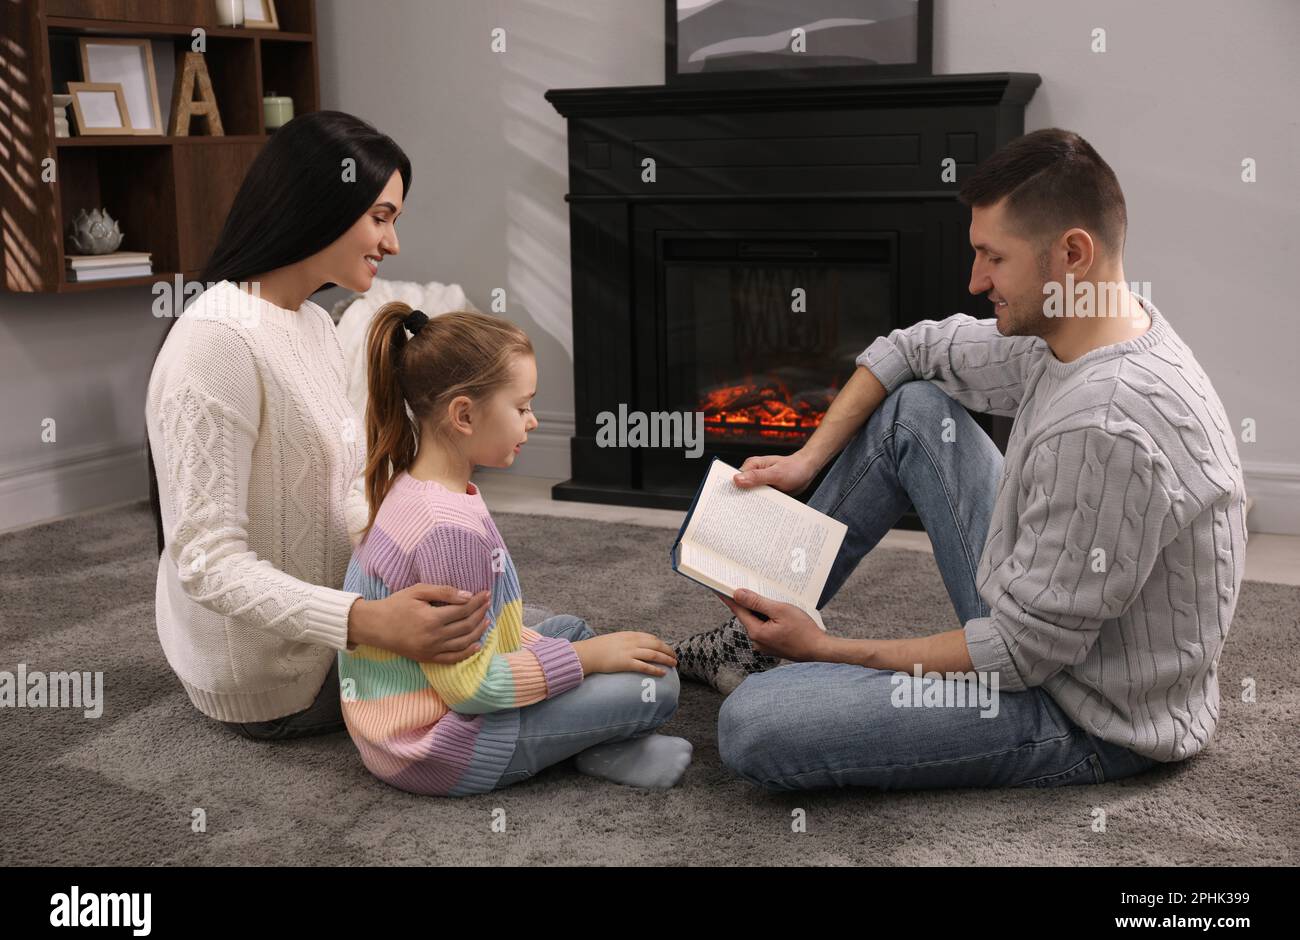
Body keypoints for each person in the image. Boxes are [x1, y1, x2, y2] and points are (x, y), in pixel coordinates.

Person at [671, 128, 1247, 791]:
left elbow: (1017, 653)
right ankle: (755, 637)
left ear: (1072, 254)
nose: (976, 280)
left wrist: (822, 649)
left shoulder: (1109, 425)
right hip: (1041, 622)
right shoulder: (1087, 322)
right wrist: (806, 460)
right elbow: (913, 348)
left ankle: (780, 653)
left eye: (993, 258)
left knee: (754, 724)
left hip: (1090, 713)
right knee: (914, 409)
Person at [146, 111, 491, 741]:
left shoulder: (312, 324)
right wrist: (370, 621)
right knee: (510, 660)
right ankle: (597, 729)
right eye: (381, 217)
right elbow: (203, 561)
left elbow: (342, 492)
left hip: (342, 624)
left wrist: (417, 555)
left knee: (517, 626)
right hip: (274, 680)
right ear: (320, 202)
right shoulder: (215, 343)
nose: (393, 244)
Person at [338, 304, 692, 794]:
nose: (532, 421)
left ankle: (593, 738)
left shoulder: (419, 484)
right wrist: (586, 660)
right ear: (464, 414)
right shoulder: (447, 532)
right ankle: (600, 745)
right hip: (437, 747)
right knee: (657, 686)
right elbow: (468, 689)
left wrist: (582, 651)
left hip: (420, 707)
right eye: (522, 407)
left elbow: (481, 635)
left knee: (571, 630)